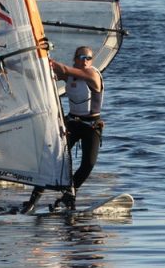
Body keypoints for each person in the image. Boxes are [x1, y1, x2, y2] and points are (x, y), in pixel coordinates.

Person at [20, 45, 104, 214]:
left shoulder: (92, 74)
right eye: (81, 57)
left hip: (91, 126)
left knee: (88, 164)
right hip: (71, 124)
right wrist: (17, 68)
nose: (85, 61)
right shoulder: (69, 76)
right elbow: (40, 76)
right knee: (53, 161)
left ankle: (69, 195)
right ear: (75, 59)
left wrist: (47, 59)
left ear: (92, 61)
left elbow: (64, 68)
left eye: (88, 58)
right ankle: (33, 200)